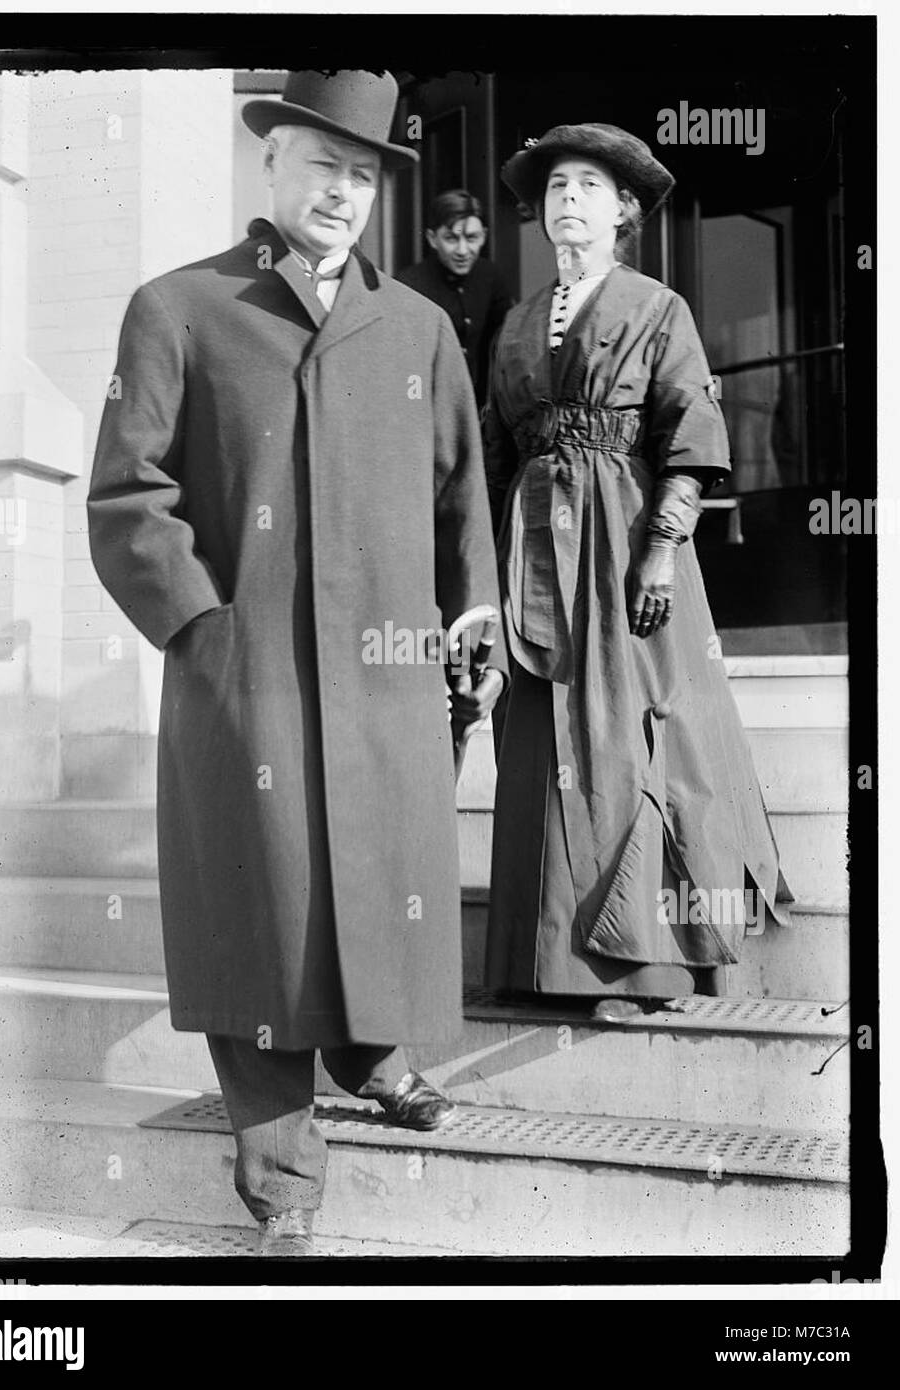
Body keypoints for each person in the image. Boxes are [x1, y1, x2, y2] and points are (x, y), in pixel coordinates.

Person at [87, 70, 504, 1255]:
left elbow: (463, 495)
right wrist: (203, 628)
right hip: (249, 665)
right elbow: (127, 494)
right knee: (262, 900)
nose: (341, 192)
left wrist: (471, 619)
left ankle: (376, 1057)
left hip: (384, 666)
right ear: (269, 163)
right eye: (323, 165)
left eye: (363, 175)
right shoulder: (179, 308)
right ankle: (281, 1176)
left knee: (374, 869)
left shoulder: (417, 328)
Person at [482, 124, 792, 1020]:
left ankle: (639, 969)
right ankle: (539, 965)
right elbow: (496, 450)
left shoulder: (659, 309)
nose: (567, 200)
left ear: (624, 210)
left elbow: (689, 437)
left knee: (623, 730)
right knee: (539, 737)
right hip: (533, 550)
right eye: (555, 187)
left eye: (588, 186)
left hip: (623, 546)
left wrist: (660, 547)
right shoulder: (514, 324)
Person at [397, 190, 513, 407]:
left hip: (478, 405)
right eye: (451, 238)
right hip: (429, 405)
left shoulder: (490, 277)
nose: (462, 250)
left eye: (471, 238)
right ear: (432, 239)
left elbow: (503, 342)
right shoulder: (408, 286)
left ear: (484, 236)